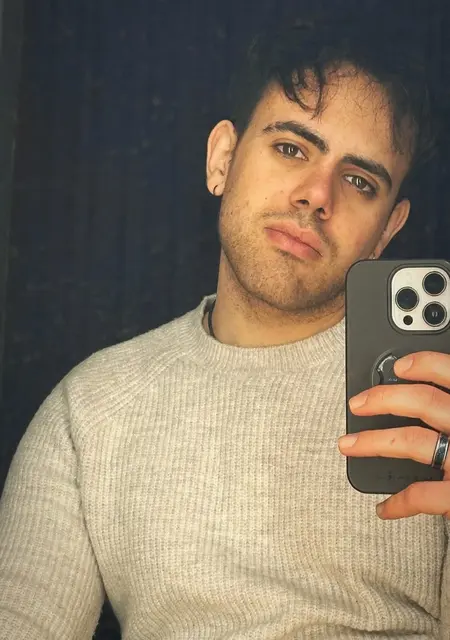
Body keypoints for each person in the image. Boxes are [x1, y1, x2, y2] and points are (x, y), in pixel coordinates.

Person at [0, 13, 449, 640]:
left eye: (358, 180)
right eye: (291, 148)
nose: (317, 195)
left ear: (388, 229)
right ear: (222, 159)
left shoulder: (437, 394)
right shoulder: (92, 409)